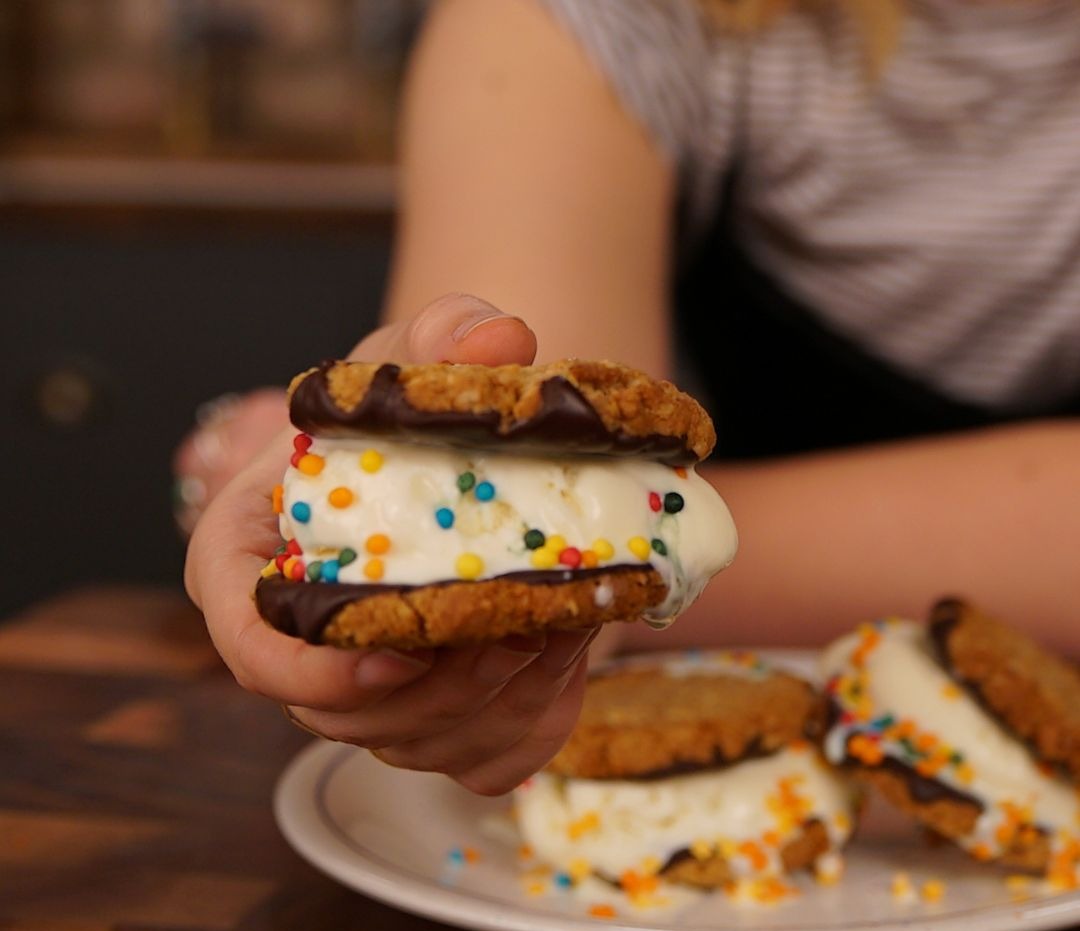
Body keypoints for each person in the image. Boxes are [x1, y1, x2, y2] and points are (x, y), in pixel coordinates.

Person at [179, 0, 1080, 795]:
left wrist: (606, 571)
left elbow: (538, 566)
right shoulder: (607, 21)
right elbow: (508, 481)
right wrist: (404, 518)